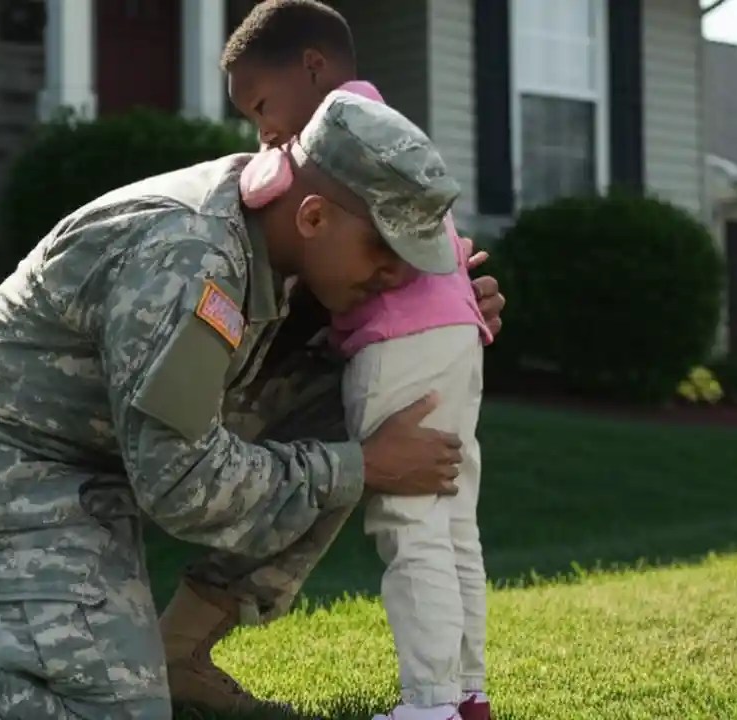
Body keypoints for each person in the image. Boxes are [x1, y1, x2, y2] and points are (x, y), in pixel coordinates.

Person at [0, 89, 505, 719]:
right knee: (110, 715)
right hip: (0, 459)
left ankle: (178, 655)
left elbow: (251, 398)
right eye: (386, 253)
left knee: (361, 396)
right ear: (314, 217)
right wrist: (359, 468)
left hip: (106, 450)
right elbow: (183, 489)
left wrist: (433, 321)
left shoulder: (280, 231)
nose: (394, 275)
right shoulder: (188, 259)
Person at [224, 3, 495, 719]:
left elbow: (255, 189)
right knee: (452, 521)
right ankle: (468, 693)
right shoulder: (389, 127)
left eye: (261, 105)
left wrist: (260, 164)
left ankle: (431, 704)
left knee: (408, 525)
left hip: (396, 341)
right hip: (455, 338)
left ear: (311, 67)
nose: (264, 130)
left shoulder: (335, 130)